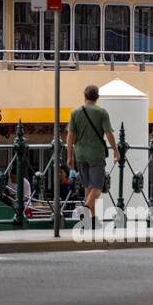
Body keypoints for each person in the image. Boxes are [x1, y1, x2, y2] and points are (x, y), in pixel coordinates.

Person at [66, 84, 117, 224]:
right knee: (97, 188)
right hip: (96, 155)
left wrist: (69, 156)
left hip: (80, 155)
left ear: (84, 96)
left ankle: (91, 221)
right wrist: (116, 151)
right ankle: (86, 209)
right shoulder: (102, 113)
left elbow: (70, 136)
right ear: (97, 97)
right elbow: (109, 134)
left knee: (88, 187)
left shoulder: (75, 113)